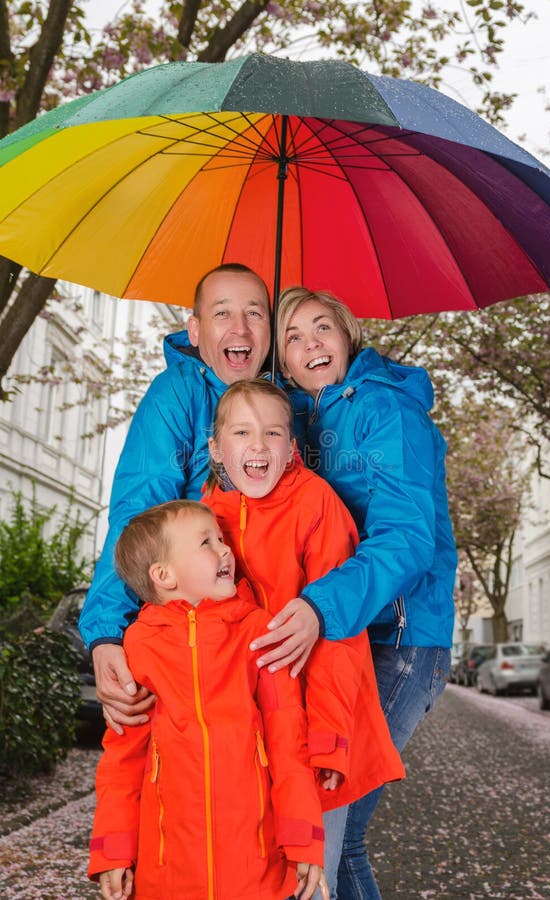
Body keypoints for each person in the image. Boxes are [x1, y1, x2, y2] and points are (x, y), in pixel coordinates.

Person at [248, 287, 458, 899]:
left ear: (347, 336)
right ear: (283, 362)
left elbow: (407, 539)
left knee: (333, 833)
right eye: (292, 337)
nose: (311, 343)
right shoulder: (293, 422)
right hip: (344, 643)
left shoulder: (388, 411)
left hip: (400, 639)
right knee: (327, 837)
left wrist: (320, 605)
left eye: (323, 328)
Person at [202, 379, 405, 900]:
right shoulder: (205, 516)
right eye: (242, 432)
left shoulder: (315, 503)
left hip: (316, 724)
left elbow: (340, 634)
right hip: (253, 732)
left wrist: (330, 741)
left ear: (293, 447)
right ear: (216, 448)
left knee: (312, 877)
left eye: (273, 433)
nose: (258, 445)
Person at [88, 499, 327, 900]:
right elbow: (121, 763)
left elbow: (289, 743)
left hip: (255, 868)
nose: (225, 549)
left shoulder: (258, 632)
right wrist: (113, 853)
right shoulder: (139, 647)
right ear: (164, 575)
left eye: (221, 538)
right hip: (167, 875)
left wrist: (303, 840)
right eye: (206, 542)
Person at [79, 263, 272, 731]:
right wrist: (106, 632)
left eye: (255, 313)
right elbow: (140, 514)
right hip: (194, 622)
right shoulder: (177, 394)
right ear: (195, 330)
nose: (241, 328)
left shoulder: (290, 402)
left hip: (268, 621)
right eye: (222, 313)